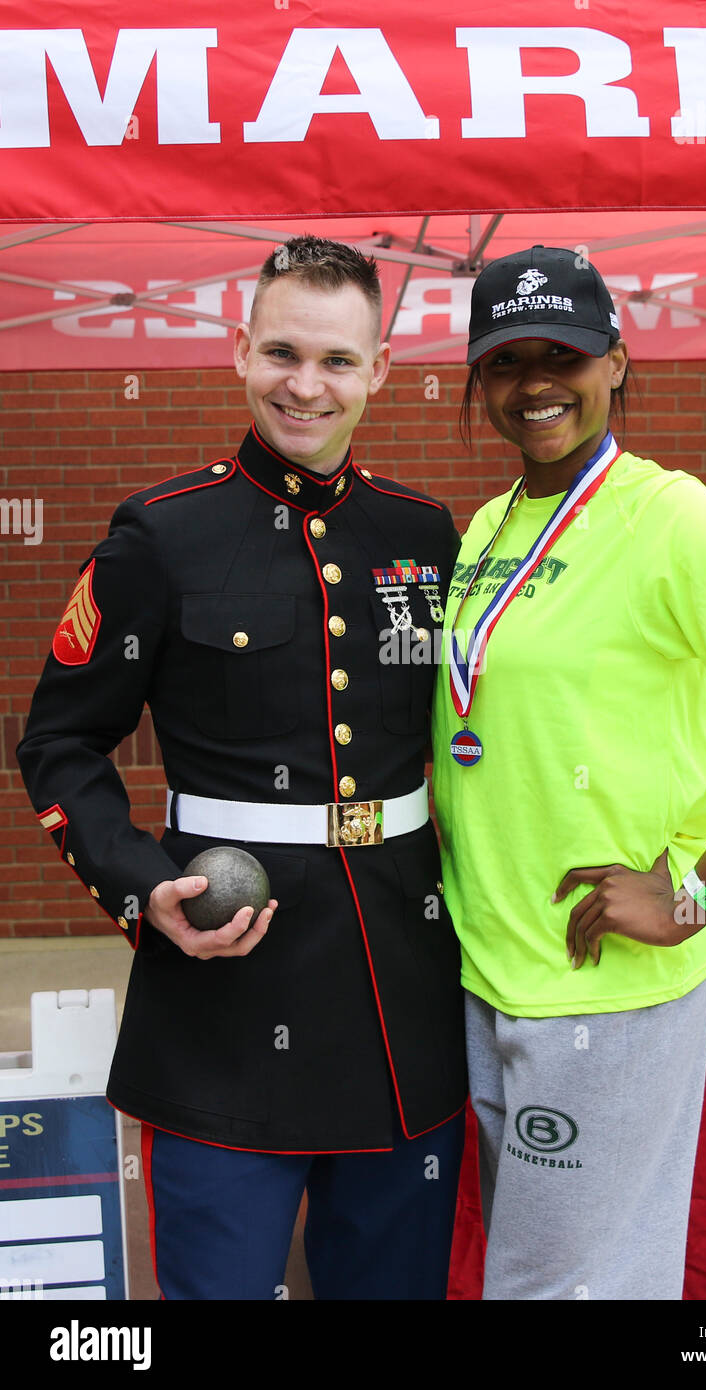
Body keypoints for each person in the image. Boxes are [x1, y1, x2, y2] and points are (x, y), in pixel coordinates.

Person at [17, 235, 468, 1301]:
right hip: (224, 991)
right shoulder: (162, 536)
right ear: (238, 353)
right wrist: (139, 888)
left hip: (400, 1003)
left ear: (380, 369)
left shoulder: (423, 534)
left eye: (336, 361)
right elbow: (57, 740)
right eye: (281, 353)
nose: (305, 386)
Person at [431, 244, 706, 1301]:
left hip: (601, 987)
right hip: (491, 972)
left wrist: (693, 895)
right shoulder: (489, 527)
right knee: (553, 1275)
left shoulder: (674, 517)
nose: (535, 383)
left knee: (560, 1290)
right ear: (478, 379)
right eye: (507, 360)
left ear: (616, 361)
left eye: (563, 355)